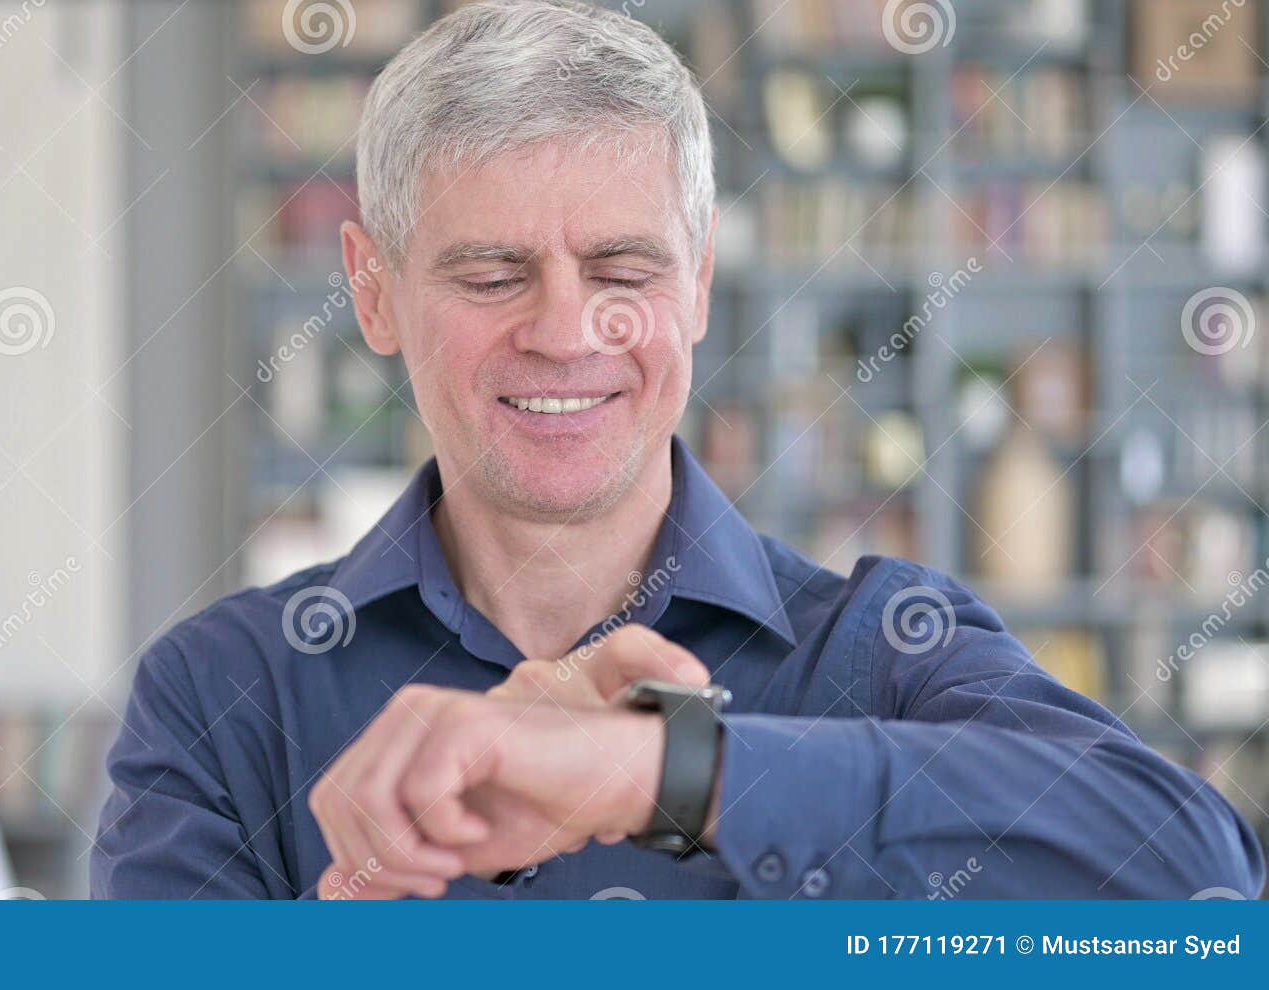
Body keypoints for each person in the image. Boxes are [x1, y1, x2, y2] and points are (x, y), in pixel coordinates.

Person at [91, 0, 1264, 900]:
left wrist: (660, 772)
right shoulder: (218, 697)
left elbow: (1194, 874)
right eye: (492, 275)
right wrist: (358, 904)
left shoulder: (880, 648)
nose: (563, 332)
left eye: (623, 271)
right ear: (372, 290)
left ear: (698, 286)